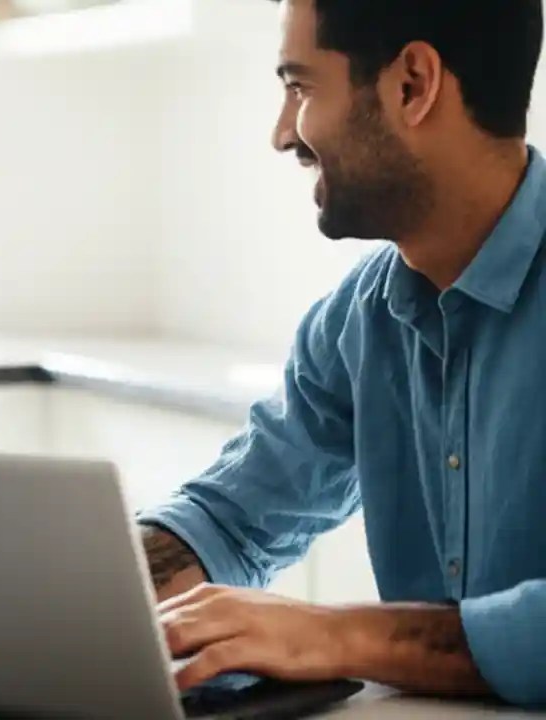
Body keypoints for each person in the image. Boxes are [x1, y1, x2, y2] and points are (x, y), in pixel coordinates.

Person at [135, 0, 546, 707]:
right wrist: (63, 600)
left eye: (300, 87)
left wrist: (334, 635)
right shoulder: (361, 316)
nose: (281, 133)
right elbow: (232, 518)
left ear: (412, 84)